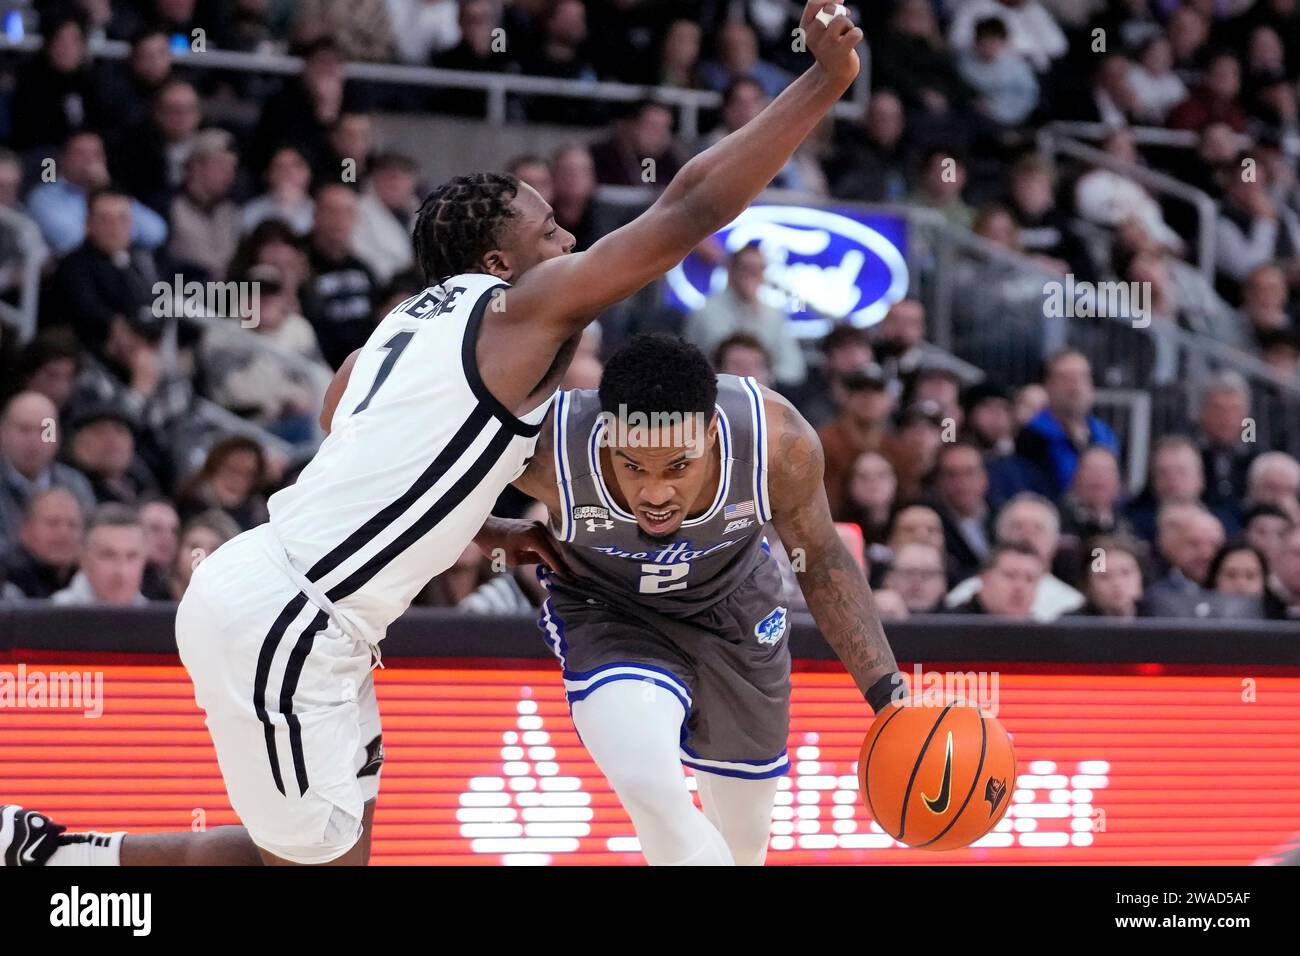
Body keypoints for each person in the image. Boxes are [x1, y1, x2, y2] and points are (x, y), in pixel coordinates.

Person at [3, 4, 871, 868]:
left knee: (315, 858)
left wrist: (481, 526)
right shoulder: (519, 310)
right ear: (500, 268)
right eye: (549, 232)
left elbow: (341, 420)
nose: (571, 239)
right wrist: (822, 83)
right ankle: (55, 870)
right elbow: (689, 208)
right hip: (293, 620)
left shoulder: (401, 325)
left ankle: (55, 855)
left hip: (303, 610)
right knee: (310, 862)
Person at [502, 334, 901, 865]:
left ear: (711, 432)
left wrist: (888, 696)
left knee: (745, 840)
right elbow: (421, 482)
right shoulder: (547, 446)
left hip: (734, 613)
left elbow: (822, 558)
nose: (655, 494)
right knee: (651, 784)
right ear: (604, 438)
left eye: (676, 467)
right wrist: (486, 531)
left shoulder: (775, 439)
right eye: (633, 467)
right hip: (610, 613)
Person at [50, 504, 149, 607]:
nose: (121, 571)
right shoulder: (51, 616)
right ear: (83, 559)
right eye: (108, 556)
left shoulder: (156, 619)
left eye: (131, 557)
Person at [944, 541, 1043, 618]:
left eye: (1029, 579)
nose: (1020, 586)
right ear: (984, 579)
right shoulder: (950, 626)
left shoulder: (1042, 635)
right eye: (1010, 576)